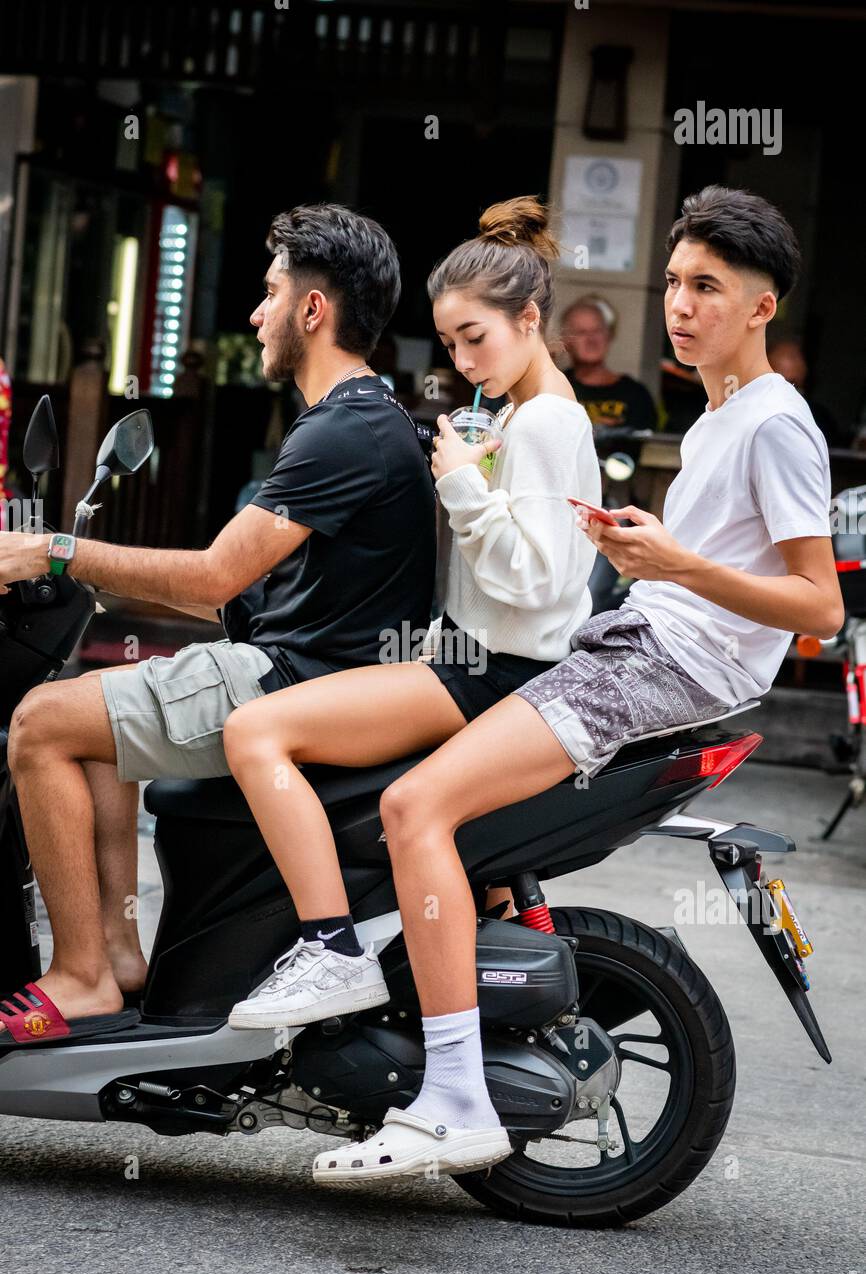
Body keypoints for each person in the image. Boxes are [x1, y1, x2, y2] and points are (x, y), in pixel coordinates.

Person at [311, 184, 845, 1184]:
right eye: (675, 284)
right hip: (634, 641)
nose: (680, 306)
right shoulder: (720, 415)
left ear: (761, 308)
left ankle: (456, 1100)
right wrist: (643, 550)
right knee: (433, 799)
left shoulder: (776, 421)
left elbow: (815, 605)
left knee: (412, 806)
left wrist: (673, 566)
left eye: (707, 289)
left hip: (658, 667)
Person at [0, 203, 437, 1044]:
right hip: (302, 666)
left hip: (293, 682)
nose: (256, 313)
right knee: (96, 717)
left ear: (314, 310)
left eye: (270, 293)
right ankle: (118, 956)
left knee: (39, 724)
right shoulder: (364, 421)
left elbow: (213, 572)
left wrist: (52, 553)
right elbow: (225, 592)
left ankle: (81, 974)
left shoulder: (342, 432)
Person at [221, 196, 600, 1033]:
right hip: (468, 662)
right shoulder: (517, 414)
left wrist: (461, 480)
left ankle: (331, 953)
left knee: (255, 733)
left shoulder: (544, 423)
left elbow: (533, 581)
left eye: (479, 338)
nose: (464, 360)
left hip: (486, 676)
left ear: (530, 318)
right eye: (453, 342)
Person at [560, 295, 657, 430]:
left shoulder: (635, 393)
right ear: (565, 341)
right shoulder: (556, 388)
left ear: (609, 335)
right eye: (581, 332)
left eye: (597, 331)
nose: (591, 339)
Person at [767, 337, 843, 447]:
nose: (789, 391)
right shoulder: (750, 413)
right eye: (782, 383)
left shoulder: (819, 418)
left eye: (794, 385)